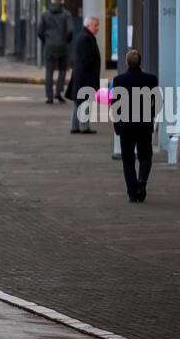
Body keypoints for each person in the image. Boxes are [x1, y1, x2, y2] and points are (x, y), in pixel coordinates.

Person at [110, 48, 159, 202]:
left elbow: (115, 106)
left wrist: (117, 127)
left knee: (128, 159)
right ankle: (142, 180)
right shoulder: (151, 79)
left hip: (126, 127)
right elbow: (156, 102)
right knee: (145, 156)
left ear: (126, 63)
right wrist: (150, 116)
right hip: (144, 126)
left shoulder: (119, 80)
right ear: (141, 63)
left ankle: (132, 192)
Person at [65, 15, 100, 134]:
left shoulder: (85, 36)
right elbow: (87, 59)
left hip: (82, 76)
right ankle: (83, 126)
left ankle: (74, 126)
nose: (97, 28)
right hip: (86, 76)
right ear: (88, 25)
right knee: (85, 101)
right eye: (95, 25)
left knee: (79, 102)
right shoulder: (86, 38)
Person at [38, 0, 73, 105]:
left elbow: (39, 31)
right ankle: (58, 91)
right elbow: (70, 31)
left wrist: (46, 40)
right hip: (63, 47)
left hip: (49, 47)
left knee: (49, 71)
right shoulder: (66, 14)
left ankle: (49, 96)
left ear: (52, 1)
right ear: (62, 1)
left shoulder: (45, 14)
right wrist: (66, 41)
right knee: (62, 71)